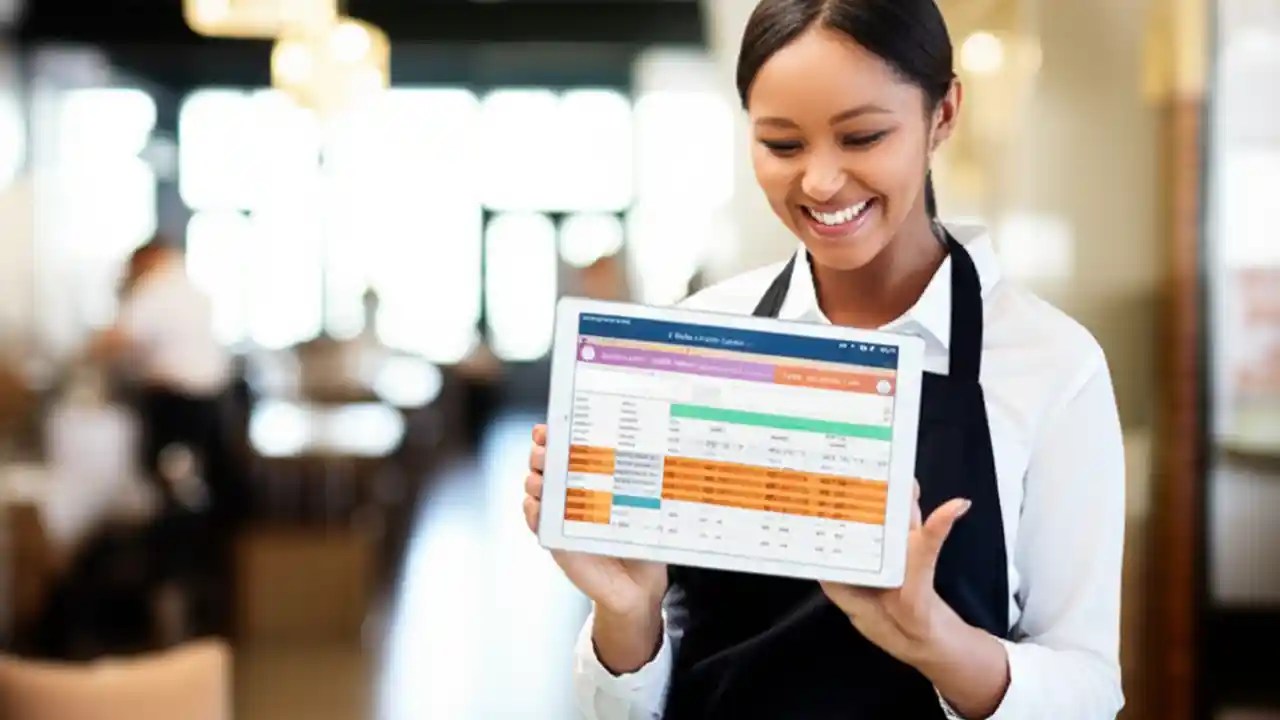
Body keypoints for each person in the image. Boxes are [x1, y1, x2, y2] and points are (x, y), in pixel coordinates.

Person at [521, 1, 1126, 718]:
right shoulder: (701, 334)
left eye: (863, 136)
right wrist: (626, 611)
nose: (819, 183)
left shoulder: (1052, 365)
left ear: (944, 113)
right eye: (782, 144)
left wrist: (932, 638)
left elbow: (1088, 692)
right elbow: (626, 706)